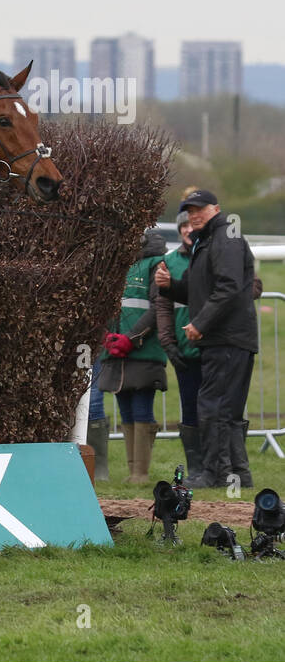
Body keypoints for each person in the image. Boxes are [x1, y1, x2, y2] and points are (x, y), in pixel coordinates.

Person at [155, 189, 258, 489]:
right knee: (225, 409)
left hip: (226, 338)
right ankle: (239, 474)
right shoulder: (207, 240)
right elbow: (195, 289)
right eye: (189, 210)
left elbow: (228, 287)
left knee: (214, 406)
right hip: (226, 338)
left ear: (216, 208)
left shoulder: (225, 237)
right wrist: (169, 286)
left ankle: (216, 474)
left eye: (199, 208)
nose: (193, 214)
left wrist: (200, 323)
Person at [98, 228, 169, 483]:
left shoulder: (156, 264)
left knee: (141, 409)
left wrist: (132, 338)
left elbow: (158, 306)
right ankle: (133, 473)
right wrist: (107, 335)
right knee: (126, 409)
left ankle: (140, 473)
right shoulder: (119, 265)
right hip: (116, 350)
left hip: (144, 351)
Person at [153, 211, 203, 479]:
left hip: (216, 347)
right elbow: (162, 306)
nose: (187, 230)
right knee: (190, 408)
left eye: (192, 225)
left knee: (220, 409)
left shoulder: (215, 255)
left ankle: (221, 466)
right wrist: (168, 344)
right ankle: (195, 469)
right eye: (183, 226)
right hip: (184, 348)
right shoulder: (169, 261)